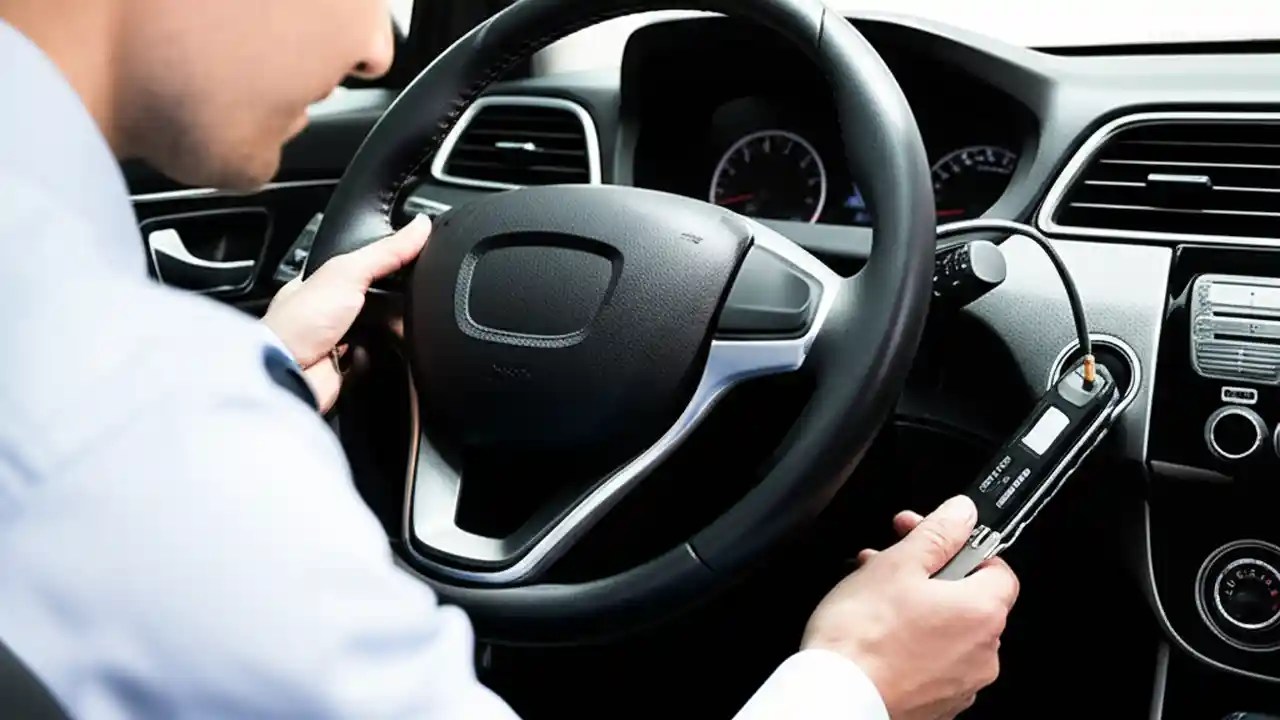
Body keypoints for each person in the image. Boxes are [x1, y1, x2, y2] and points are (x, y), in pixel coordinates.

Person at [0, 1, 1020, 718]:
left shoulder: (105, 390)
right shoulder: (139, 427)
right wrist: (855, 684)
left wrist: (258, 366)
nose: (374, 47)